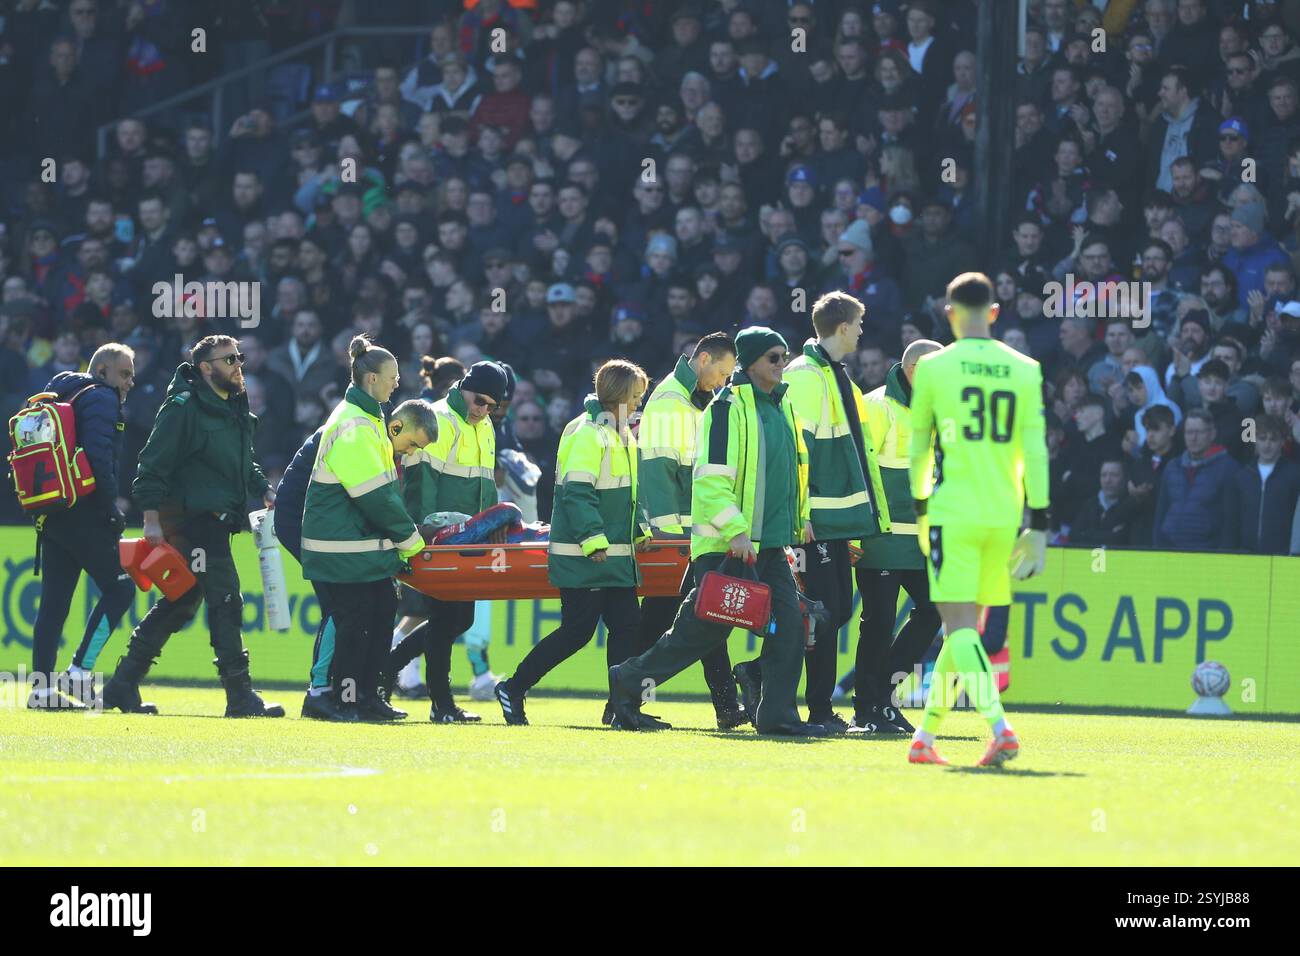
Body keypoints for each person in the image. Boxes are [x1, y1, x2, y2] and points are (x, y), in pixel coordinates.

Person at [607, 328, 824, 736]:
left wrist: (801, 517)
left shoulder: (782, 405)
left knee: (791, 626)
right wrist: (737, 531)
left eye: (784, 356)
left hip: (769, 544)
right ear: (751, 362)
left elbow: (793, 471)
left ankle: (776, 715)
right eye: (773, 358)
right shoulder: (726, 408)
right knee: (697, 634)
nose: (781, 365)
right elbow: (710, 480)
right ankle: (629, 680)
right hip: (730, 545)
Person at [907, 273, 1050, 766]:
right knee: (959, 630)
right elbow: (1035, 449)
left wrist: (922, 509)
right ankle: (924, 739)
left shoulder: (934, 367)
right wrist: (1042, 523)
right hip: (1004, 516)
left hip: (953, 511)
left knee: (958, 622)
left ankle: (999, 726)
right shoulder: (1025, 369)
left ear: (949, 313)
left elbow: (920, 446)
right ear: (994, 312)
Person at [102, 335, 283, 718]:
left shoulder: (233, 405)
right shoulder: (182, 408)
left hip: (215, 520)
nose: (238, 364)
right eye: (229, 359)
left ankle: (121, 684)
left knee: (182, 601)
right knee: (226, 599)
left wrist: (263, 489)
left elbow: (243, 460)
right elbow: (151, 464)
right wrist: (151, 519)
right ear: (206, 367)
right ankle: (239, 695)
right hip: (190, 520)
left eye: (240, 357)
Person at [738, 291, 891, 732]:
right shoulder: (807, 376)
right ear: (842, 327)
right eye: (859, 323)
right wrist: (801, 514)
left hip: (837, 520)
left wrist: (861, 523)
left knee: (835, 611)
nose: (862, 331)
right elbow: (796, 452)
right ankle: (818, 709)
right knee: (823, 612)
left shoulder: (834, 376)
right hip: (814, 522)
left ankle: (759, 673)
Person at [495, 360, 651, 726]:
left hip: (608, 555)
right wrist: (593, 541)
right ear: (619, 396)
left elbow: (627, 495)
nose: (640, 402)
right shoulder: (589, 433)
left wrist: (639, 530)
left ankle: (622, 707)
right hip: (590, 556)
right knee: (578, 632)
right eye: (637, 395)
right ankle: (514, 687)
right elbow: (578, 495)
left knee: (627, 626)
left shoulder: (616, 431)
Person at [301, 336, 432, 721]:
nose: (397, 383)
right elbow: (374, 496)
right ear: (371, 378)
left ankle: (369, 699)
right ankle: (343, 701)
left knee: (378, 616)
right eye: (392, 377)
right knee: (355, 624)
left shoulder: (368, 419)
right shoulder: (354, 424)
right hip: (342, 546)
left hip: (359, 545)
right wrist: (411, 541)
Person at [634, 332, 745, 729]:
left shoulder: (692, 403)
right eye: (721, 372)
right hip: (682, 539)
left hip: (689, 537)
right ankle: (725, 706)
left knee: (691, 620)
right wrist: (673, 540)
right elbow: (659, 475)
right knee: (701, 620)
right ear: (702, 360)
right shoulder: (670, 405)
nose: (722, 381)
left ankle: (624, 699)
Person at [388, 361, 505, 722]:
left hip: (469, 538)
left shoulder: (483, 426)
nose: (482, 409)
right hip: (439, 539)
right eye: (478, 400)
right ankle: (441, 703)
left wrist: (490, 524)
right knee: (448, 618)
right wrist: (423, 534)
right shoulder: (439, 418)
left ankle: (390, 670)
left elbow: (485, 483)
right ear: (463, 386)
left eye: (490, 405)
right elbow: (422, 482)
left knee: (454, 619)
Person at [28, 343, 138, 710]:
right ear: (103, 371)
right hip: (84, 511)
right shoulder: (102, 397)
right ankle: (78, 673)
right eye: (124, 373)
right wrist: (110, 506)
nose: (130, 382)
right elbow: (98, 454)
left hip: (53, 510)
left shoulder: (60, 390)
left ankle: (41, 691)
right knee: (121, 589)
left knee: (54, 603)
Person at [850, 337, 945, 735]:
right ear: (914, 371)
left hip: (917, 537)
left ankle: (878, 700)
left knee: (934, 609)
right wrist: (856, 530)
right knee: (879, 622)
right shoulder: (877, 406)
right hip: (881, 536)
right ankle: (867, 709)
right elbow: (858, 466)